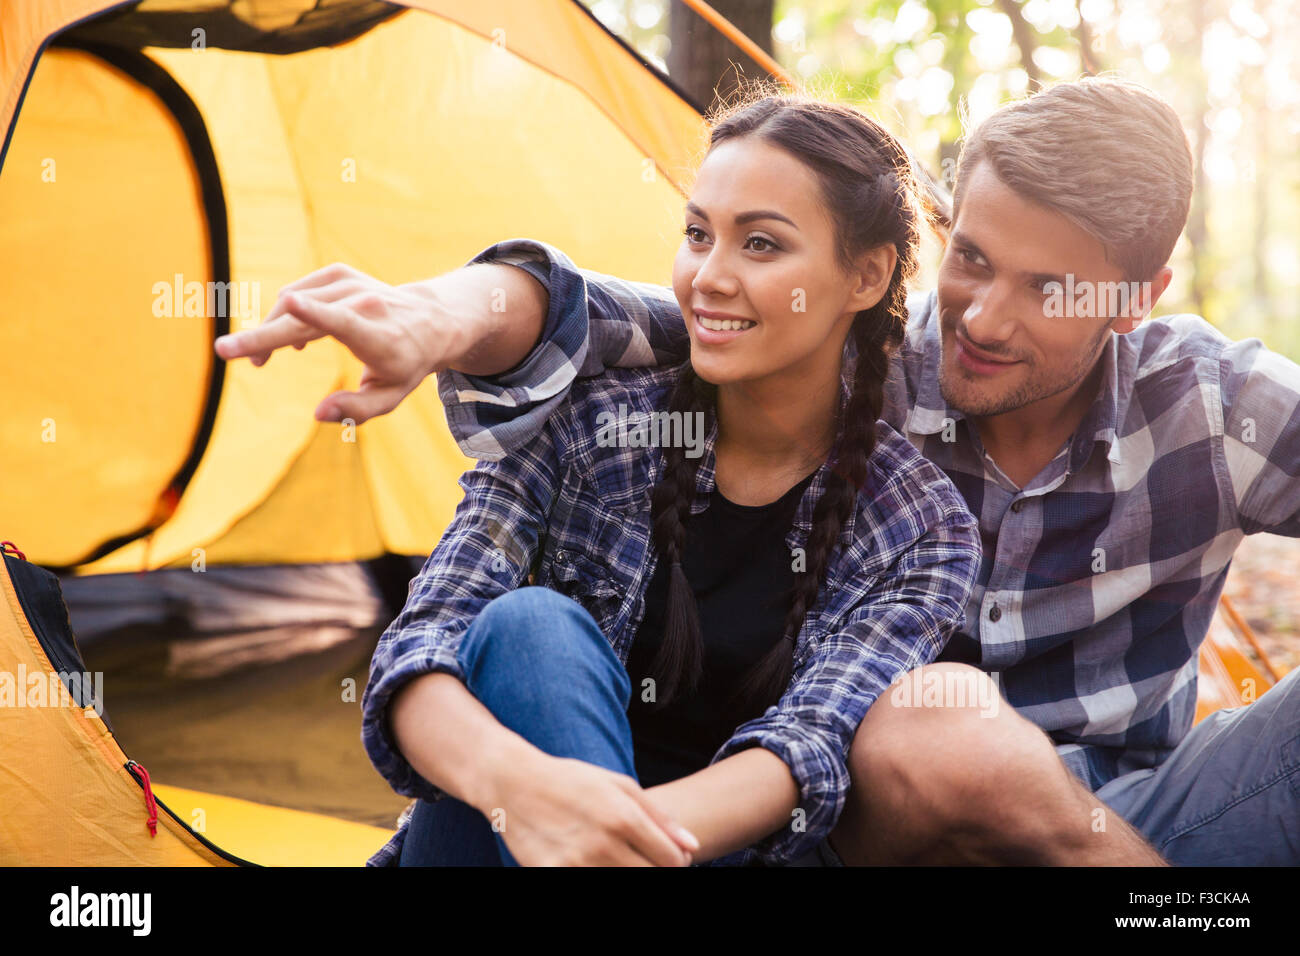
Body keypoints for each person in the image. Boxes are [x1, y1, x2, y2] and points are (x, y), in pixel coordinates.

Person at [218, 76, 1300, 865]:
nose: (982, 316)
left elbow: (800, 742)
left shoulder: (1211, 406)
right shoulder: (851, 364)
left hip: (1138, 817)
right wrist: (436, 311)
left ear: (1138, 294)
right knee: (929, 720)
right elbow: (620, 312)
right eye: (969, 259)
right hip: (888, 826)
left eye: (1046, 287)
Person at [225, 90, 982, 866]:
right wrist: (526, 794)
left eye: (760, 245)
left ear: (865, 277)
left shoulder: (918, 527)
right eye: (697, 235)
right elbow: (422, 642)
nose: (709, 277)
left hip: (707, 848)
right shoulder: (588, 426)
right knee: (529, 630)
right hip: (503, 828)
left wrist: (610, 841)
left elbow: (806, 752)